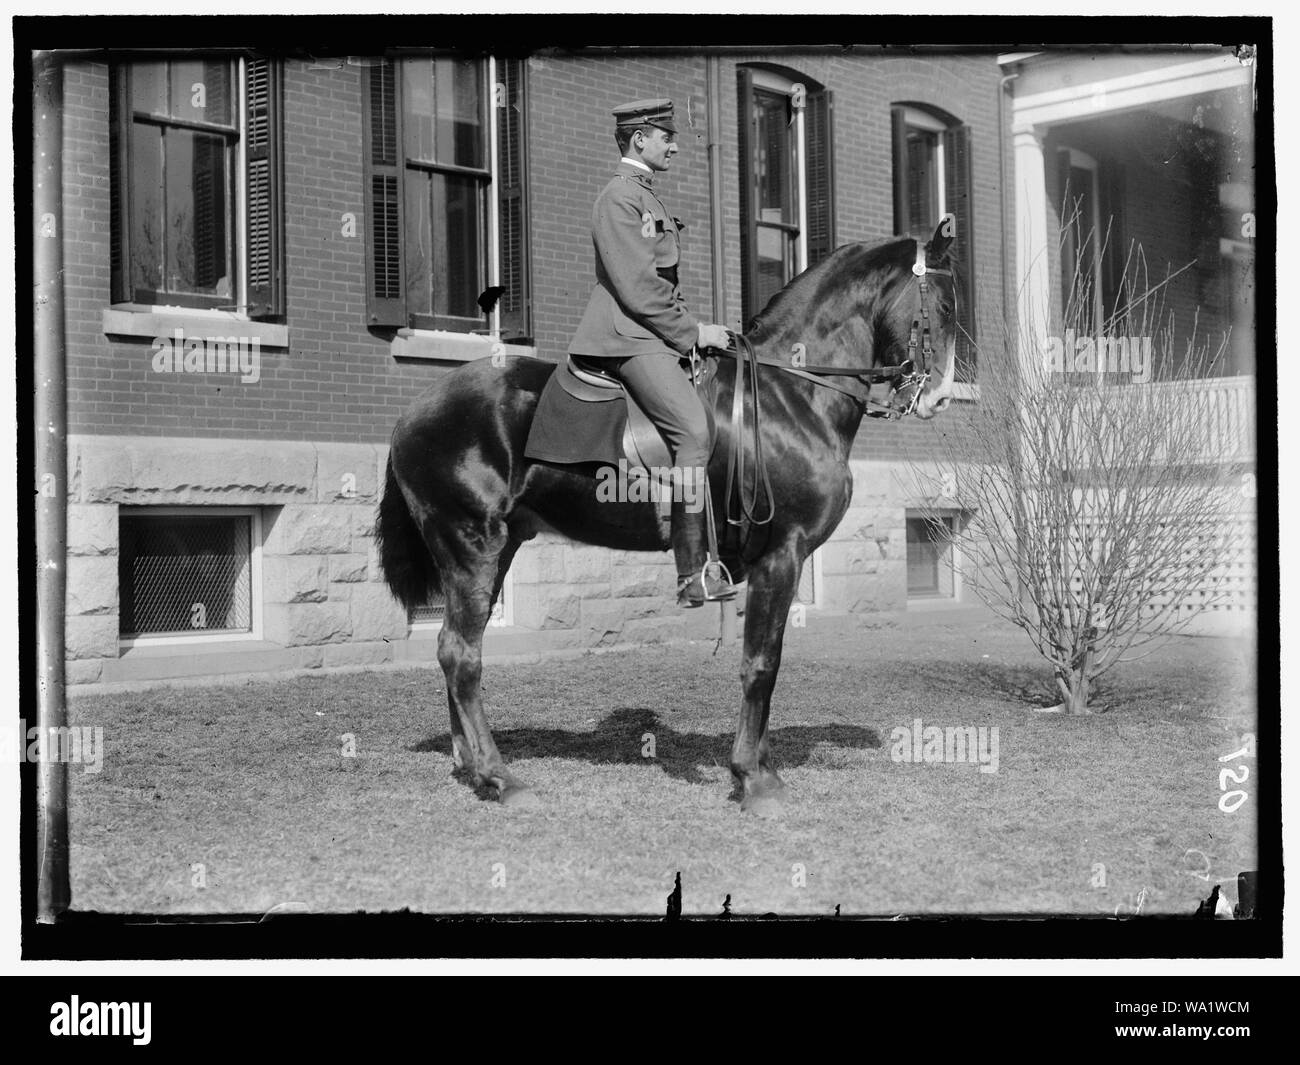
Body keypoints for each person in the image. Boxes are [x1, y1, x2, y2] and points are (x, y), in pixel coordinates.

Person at [569, 98, 738, 607]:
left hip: (652, 334)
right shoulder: (619, 199)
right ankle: (693, 574)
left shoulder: (646, 198)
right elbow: (641, 290)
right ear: (639, 138)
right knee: (693, 432)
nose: (675, 144)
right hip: (627, 337)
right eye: (666, 136)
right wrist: (694, 334)